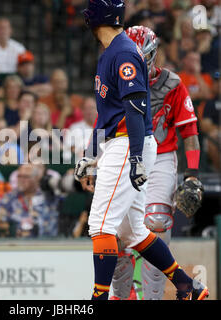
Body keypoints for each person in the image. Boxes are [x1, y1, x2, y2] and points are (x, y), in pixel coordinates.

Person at [74, 0, 208, 300]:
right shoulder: (111, 51)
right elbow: (107, 113)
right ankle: (187, 286)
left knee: (100, 224)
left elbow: (135, 110)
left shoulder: (123, 52)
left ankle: (99, 297)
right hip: (120, 143)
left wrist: (135, 157)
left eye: (92, 9)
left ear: (101, 17)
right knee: (133, 232)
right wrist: (90, 154)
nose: (87, 13)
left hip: (127, 144)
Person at [109, 26, 203, 300]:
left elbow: (190, 132)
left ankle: (152, 297)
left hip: (160, 157)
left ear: (153, 55)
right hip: (124, 155)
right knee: (114, 234)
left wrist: (192, 176)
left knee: (157, 224)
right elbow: (102, 127)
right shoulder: (113, 83)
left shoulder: (172, 84)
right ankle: (123, 295)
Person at [0, 163, 60, 238]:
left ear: (36, 178)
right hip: (16, 243)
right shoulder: (10, 197)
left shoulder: (49, 196)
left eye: (26, 177)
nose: (21, 180)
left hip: (48, 243)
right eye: (19, 176)